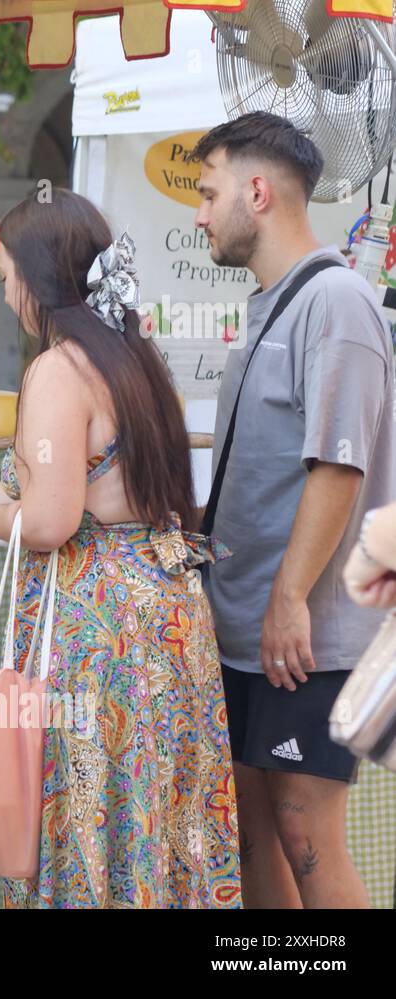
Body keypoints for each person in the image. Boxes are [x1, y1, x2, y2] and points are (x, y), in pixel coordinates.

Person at [0, 189, 240, 908]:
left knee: (88, 811)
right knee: (156, 817)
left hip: (98, 629)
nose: (4, 291)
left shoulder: (58, 371)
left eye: (5, 275)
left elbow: (50, 520)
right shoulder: (137, 358)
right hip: (167, 617)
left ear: (34, 278)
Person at [189, 111, 394, 909]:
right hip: (247, 634)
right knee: (252, 830)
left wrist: (286, 600)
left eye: (209, 193)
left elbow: (339, 466)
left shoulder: (338, 302)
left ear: (259, 190)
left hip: (312, 637)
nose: (201, 212)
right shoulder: (271, 303)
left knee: (307, 834)